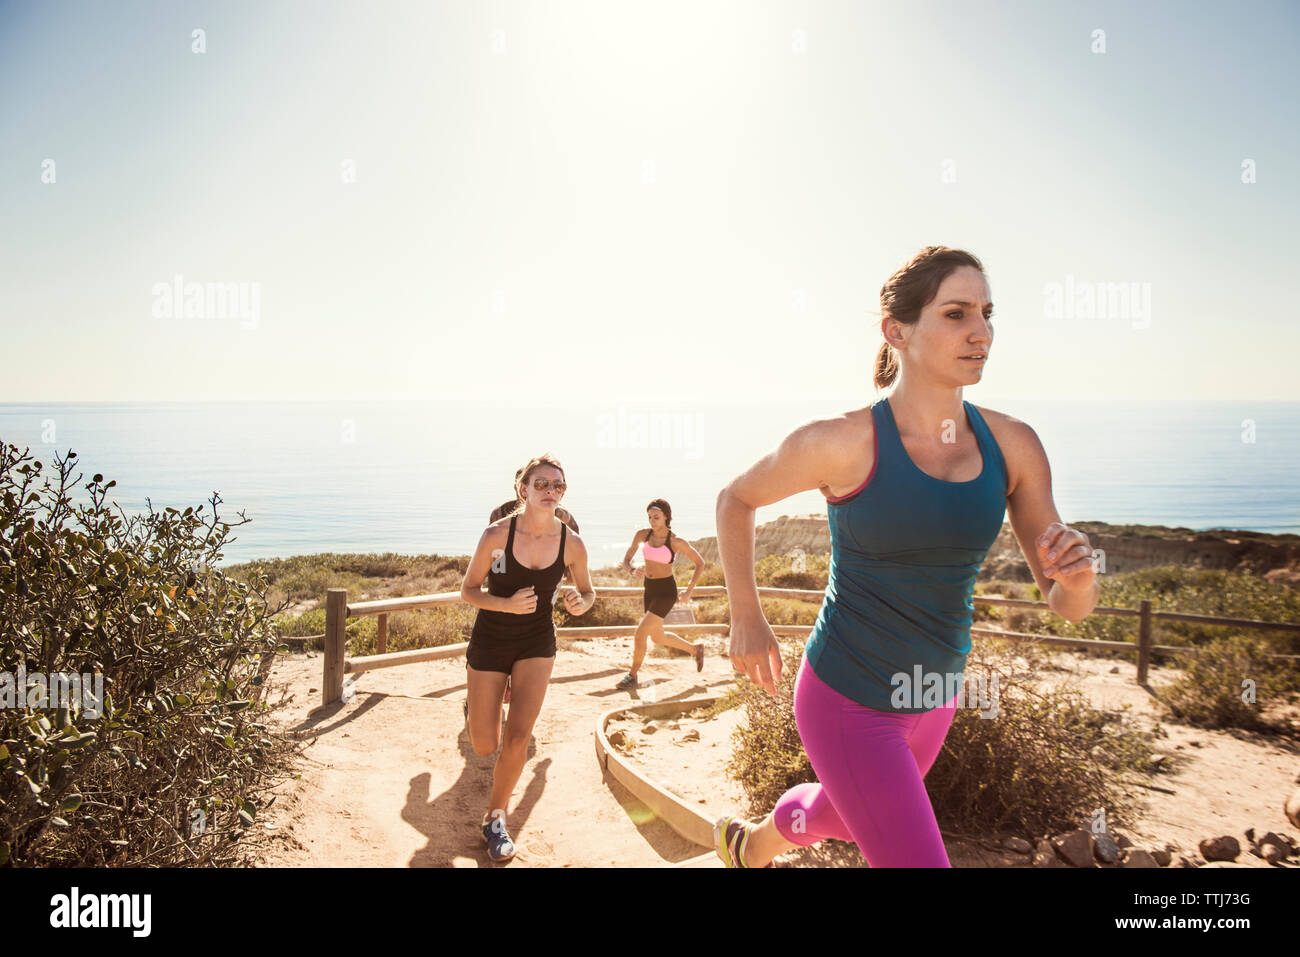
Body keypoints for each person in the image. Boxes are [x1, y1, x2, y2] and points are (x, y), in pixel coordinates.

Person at [712, 246, 1100, 868]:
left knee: (842, 813)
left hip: (934, 696)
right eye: (956, 314)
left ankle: (756, 842)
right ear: (898, 331)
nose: (982, 332)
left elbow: (1070, 607)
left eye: (987, 312)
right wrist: (747, 615)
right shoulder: (841, 441)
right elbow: (736, 499)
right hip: (847, 698)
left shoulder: (1014, 445)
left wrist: (1078, 577)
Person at [460, 454, 595, 862]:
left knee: (518, 738)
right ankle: (478, 703)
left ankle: (495, 819)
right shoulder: (496, 535)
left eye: (558, 486)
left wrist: (577, 602)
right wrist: (505, 604)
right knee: (485, 744)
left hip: (538, 642)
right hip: (491, 640)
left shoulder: (571, 542)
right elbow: (469, 591)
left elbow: (589, 593)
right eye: (542, 485)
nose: (550, 492)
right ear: (524, 489)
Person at [488, 482, 579, 705]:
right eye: (537, 484)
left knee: (536, 634)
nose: (546, 490)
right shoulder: (501, 512)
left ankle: (520, 695)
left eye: (555, 485)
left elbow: (574, 548)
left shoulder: (564, 516)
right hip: (508, 587)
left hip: (546, 587)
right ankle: (489, 694)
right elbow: (493, 550)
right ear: (521, 487)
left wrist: (568, 582)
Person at [615, 499, 707, 690]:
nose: (652, 521)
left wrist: (689, 590)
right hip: (650, 589)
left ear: (666, 516)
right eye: (649, 517)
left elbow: (700, 563)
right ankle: (695, 649)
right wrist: (632, 571)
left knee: (640, 633)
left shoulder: (675, 541)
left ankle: (632, 675)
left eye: (656, 517)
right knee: (657, 637)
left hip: (666, 591)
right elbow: (626, 560)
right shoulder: (642, 535)